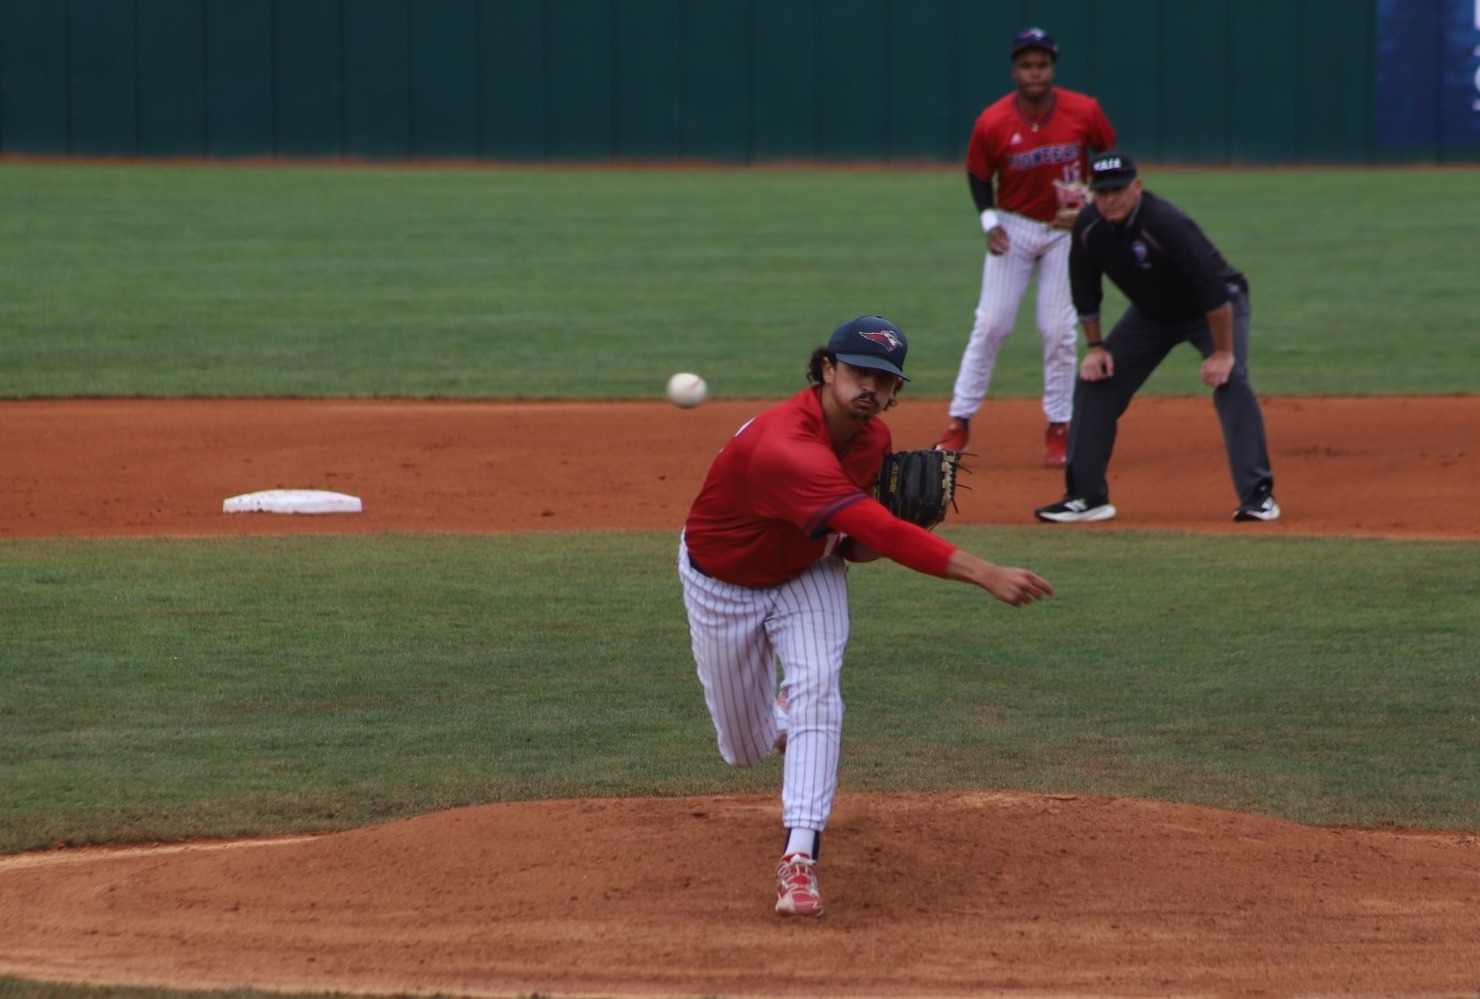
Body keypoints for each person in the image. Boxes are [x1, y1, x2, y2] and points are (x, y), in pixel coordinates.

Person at [678, 315, 1053, 918]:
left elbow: (855, 547)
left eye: (885, 379)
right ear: (827, 369)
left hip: (808, 573)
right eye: (858, 372)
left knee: (819, 688)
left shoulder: (872, 441)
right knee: (744, 750)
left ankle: (799, 858)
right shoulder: (784, 448)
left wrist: (908, 525)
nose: (871, 389)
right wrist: (982, 571)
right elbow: (877, 529)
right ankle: (782, 716)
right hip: (724, 584)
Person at [1034, 151, 1280, 524]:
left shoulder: (1164, 221)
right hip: (1153, 314)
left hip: (1213, 307)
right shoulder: (1089, 227)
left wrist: (1223, 353)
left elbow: (1212, 287)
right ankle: (1086, 497)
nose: (1110, 199)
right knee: (1096, 380)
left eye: (1118, 190)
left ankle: (1258, 498)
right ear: (1091, 193)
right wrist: (1096, 348)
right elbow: (1085, 291)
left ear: (1137, 187)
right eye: (1102, 192)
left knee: (1230, 379)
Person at [938, 27, 1117, 468]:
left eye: (1042, 64)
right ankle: (959, 419)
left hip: (1066, 232)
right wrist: (989, 221)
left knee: (1056, 329)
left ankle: (1059, 426)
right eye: (1026, 65)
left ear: (1052, 68)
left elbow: (1109, 155)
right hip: (1013, 228)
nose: (1034, 72)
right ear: (1015, 71)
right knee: (992, 324)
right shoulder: (993, 121)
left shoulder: (1084, 110)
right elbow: (979, 174)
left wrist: (1093, 201)